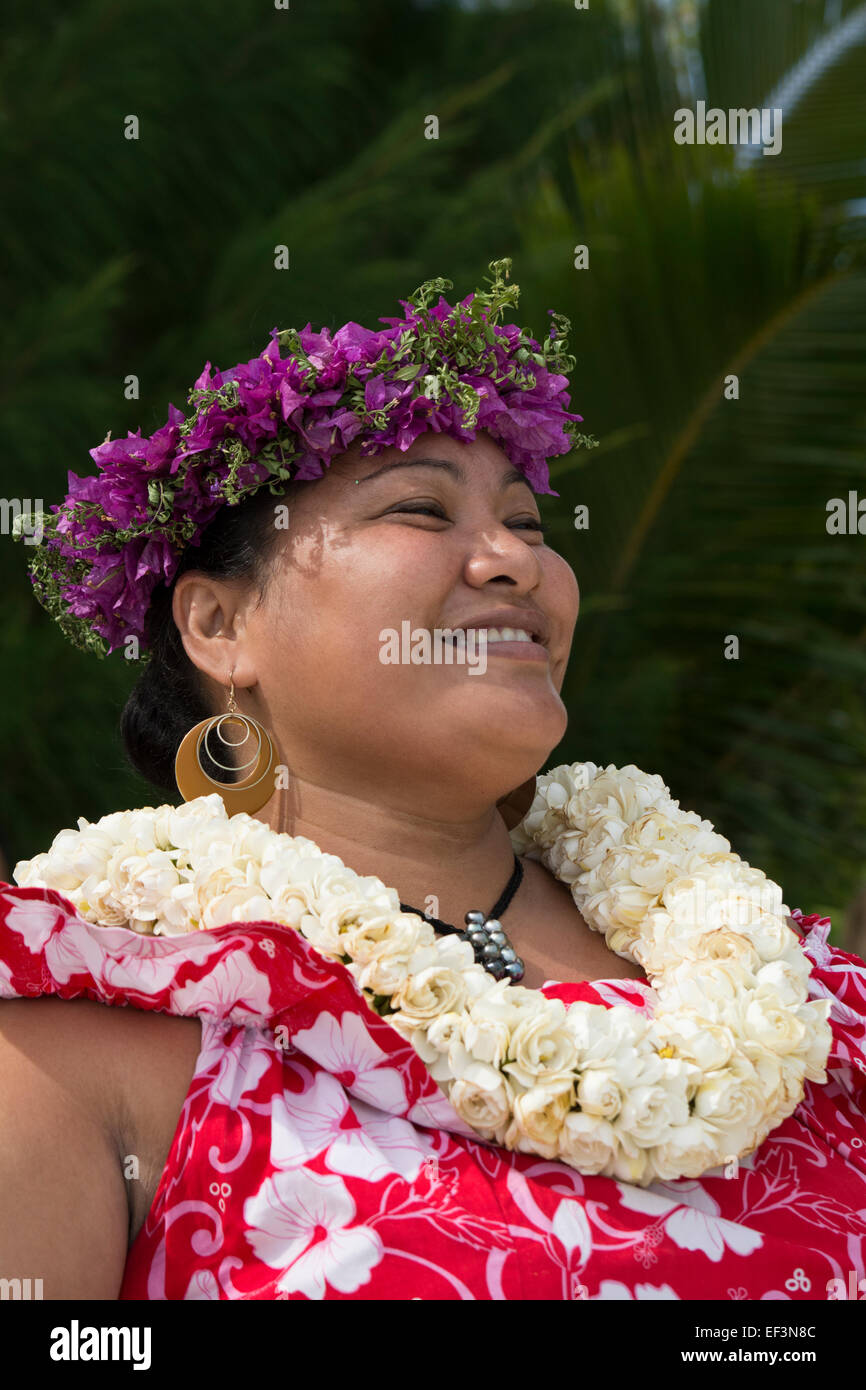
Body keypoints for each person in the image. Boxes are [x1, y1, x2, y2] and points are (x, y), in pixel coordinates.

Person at [1, 261, 864, 1301]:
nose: (512, 559)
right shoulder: (83, 1030)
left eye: (530, 525)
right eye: (419, 508)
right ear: (219, 625)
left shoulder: (801, 1000)